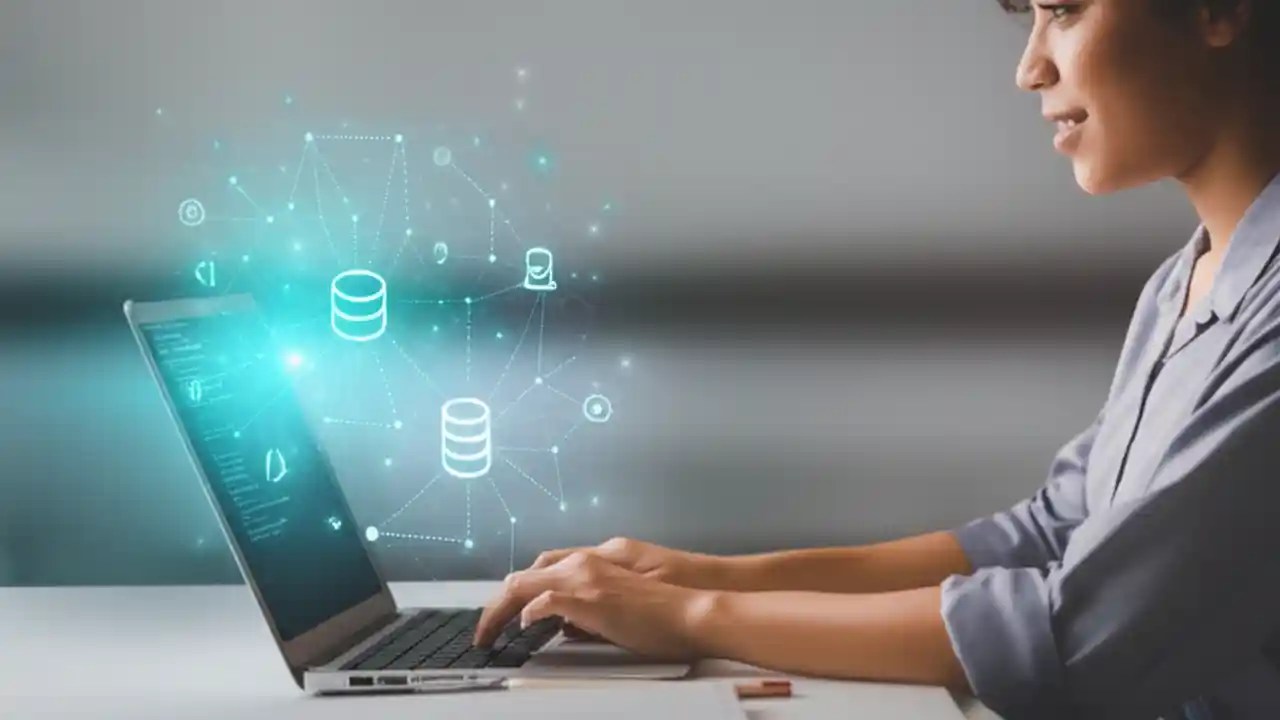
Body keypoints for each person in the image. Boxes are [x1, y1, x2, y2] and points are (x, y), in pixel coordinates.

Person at [473, 1, 1280, 717]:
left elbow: (1078, 632)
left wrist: (688, 619)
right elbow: (1050, 532)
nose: (1029, 67)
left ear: (1218, 11)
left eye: (1063, 11)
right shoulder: (1186, 281)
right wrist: (700, 576)